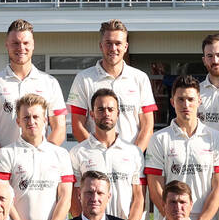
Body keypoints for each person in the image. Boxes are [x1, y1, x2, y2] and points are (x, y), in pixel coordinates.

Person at [144, 75, 219, 220]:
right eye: (180, 99)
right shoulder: (158, 139)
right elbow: (155, 188)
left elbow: (218, 189)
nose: (186, 104)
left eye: (190, 99)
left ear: (199, 101)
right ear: (172, 102)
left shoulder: (216, 138)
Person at [0, 19, 66, 153]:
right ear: (7, 45)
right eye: (15, 43)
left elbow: (59, 128)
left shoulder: (50, 83)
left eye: (26, 43)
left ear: (33, 45)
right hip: (5, 168)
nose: (21, 48)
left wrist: (44, 156)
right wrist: (2, 157)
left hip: (40, 166)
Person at [0, 93, 74, 220]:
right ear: (18, 121)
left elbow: (65, 198)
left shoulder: (61, 154)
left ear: (45, 120)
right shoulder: (5, 154)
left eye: (36, 117)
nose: (31, 121)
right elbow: (3, 199)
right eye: (26, 117)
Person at [67, 19, 156, 150]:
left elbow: (147, 125)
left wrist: (134, 156)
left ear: (126, 47)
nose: (113, 48)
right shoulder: (83, 79)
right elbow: (77, 125)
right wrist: (97, 153)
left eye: (118, 43)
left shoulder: (140, 78)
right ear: (100, 46)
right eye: (108, 43)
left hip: (130, 163)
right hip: (95, 163)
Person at [69, 88, 145, 220]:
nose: (106, 113)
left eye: (111, 109)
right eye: (101, 109)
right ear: (92, 114)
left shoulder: (134, 152)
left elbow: (138, 196)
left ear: (118, 113)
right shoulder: (77, 152)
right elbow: (74, 197)